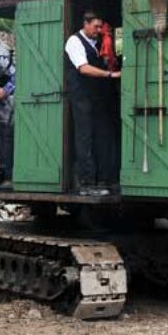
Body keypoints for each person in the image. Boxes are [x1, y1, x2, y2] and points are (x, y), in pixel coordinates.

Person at [64, 11, 121, 196]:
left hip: (99, 99)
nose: (98, 30)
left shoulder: (99, 44)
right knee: (85, 139)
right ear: (85, 24)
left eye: (100, 27)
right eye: (95, 26)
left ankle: (106, 179)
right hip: (82, 98)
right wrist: (110, 75)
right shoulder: (74, 42)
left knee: (104, 137)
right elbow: (84, 68)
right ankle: (86, 183)